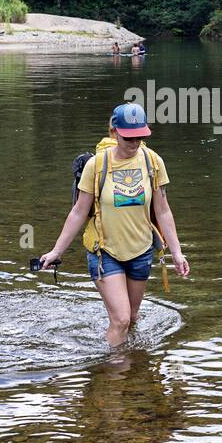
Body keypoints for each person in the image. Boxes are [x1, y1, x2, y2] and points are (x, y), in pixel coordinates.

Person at [39, 103, 190, 346]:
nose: (134, 143)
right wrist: (56, 251)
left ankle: (133, 367)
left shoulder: (153, 162)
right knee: (120, 319)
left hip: (141, 252)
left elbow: (163, 211)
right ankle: (114, 377)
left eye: (140, 137)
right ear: (114, 132)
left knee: (132, 317)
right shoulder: (97, 165)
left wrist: (177, 253)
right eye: (129, 138)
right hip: (104, 252)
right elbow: (78, 212)